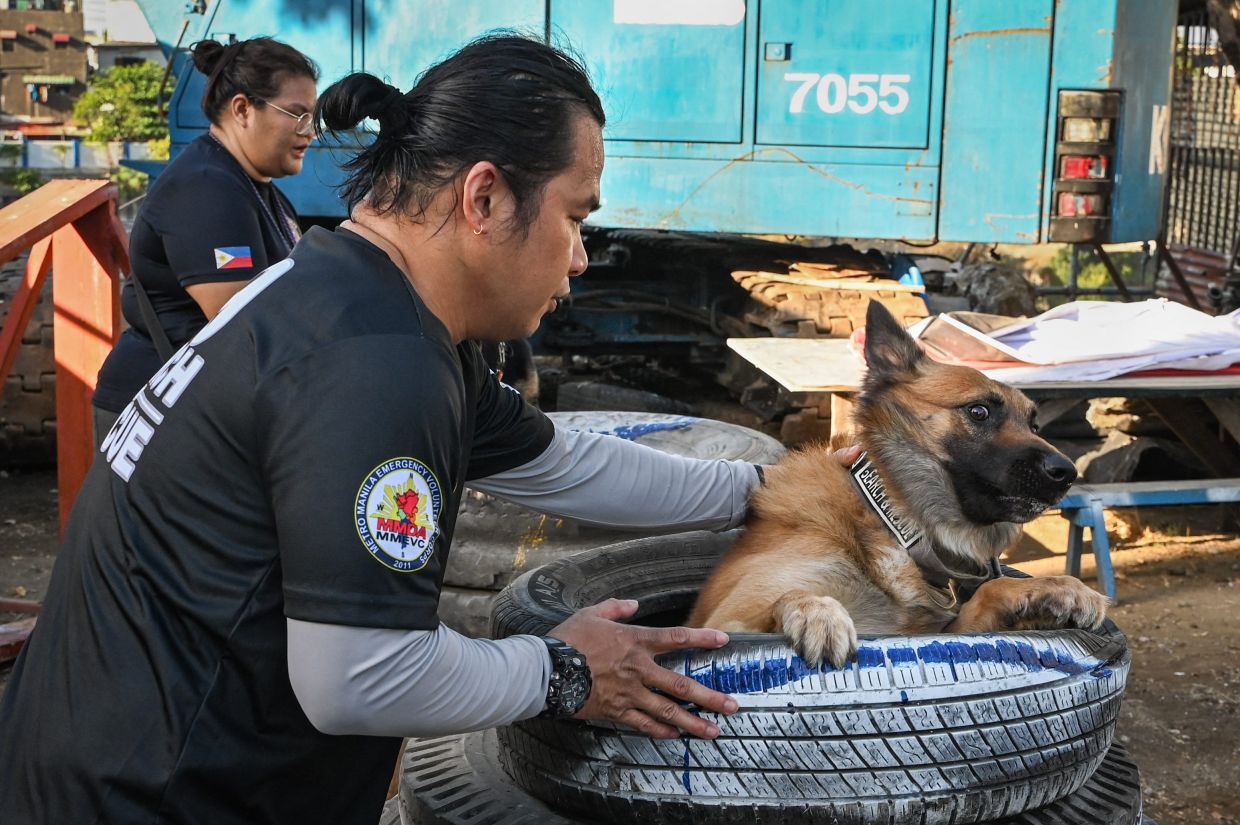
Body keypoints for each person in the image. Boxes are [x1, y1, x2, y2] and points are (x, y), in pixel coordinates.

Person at [0, 33, 856, 825]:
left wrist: (778, 486)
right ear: (484, 196)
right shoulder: (376, 363)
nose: (582, 258)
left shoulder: (356, 291)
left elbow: (563, 466)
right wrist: (564, 670)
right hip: (154, 794)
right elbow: (356, 676)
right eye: (577, 217)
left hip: (87, 749)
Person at [91, 36, 319, 445]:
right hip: (156, 416)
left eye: (312, 118)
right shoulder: (206, 189)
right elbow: (243, 328)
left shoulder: (254, 186)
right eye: (298, 115)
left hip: (197, 408)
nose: (310, 133)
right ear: (243, 109)